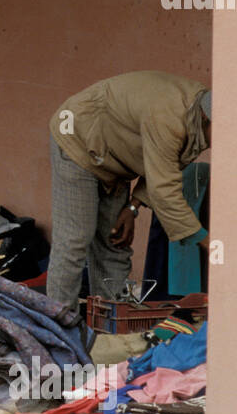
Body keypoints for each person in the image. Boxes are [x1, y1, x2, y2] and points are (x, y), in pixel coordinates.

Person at [46, 71, 211, 316]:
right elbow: (164, 190)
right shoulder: (169, 116)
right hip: (77, 136)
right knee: (74, 239)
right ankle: (56, 329)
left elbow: (165, 164)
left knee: (114, 242)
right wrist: (209, 244)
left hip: (113, 153)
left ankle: (110, 327)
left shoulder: (199, 111)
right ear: (207, 118)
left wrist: (133, 207)